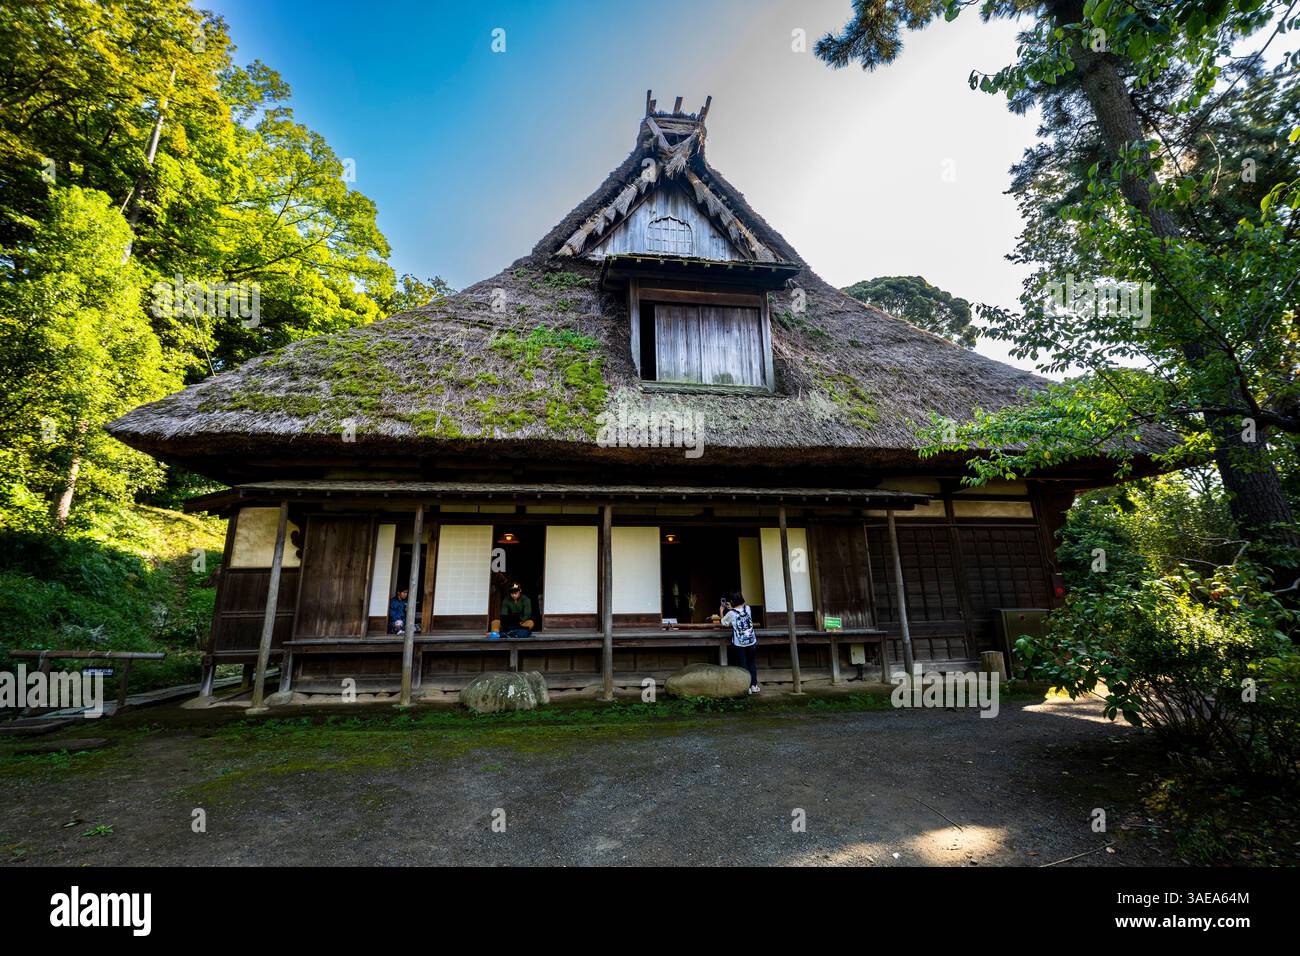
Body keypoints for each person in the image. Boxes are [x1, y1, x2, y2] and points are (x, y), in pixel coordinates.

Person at [721, 590, 759, 694]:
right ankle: (754, 685)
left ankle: (747, 687)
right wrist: (733, 607)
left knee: (743, 665)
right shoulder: (748, 609)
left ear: (732, 602)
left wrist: (721, 610)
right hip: (751, 641)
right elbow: (741, 609)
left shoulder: (731, 613)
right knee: (752, 663)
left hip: (740, 643)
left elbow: (723, 622)